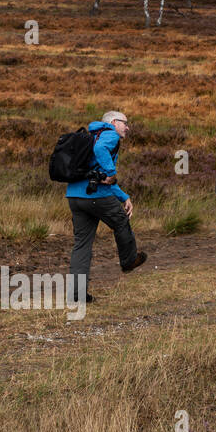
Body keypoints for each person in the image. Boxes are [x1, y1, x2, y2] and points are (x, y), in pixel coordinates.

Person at [65, 110, 147, 303]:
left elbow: (102, 178)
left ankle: (77, 294)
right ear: (113, 122)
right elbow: (101, 154)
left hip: (75, 196)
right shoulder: (109, 134)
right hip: (95, 196)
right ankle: (129, 261)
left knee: (82, 244)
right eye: (125, 122)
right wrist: (111, 171)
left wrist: (123, 196)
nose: (127, 127)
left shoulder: (91, 136)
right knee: (121, 221)